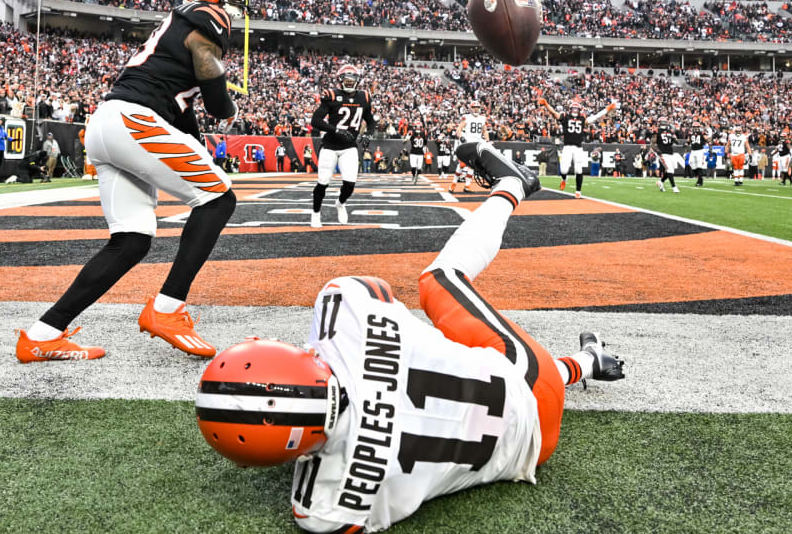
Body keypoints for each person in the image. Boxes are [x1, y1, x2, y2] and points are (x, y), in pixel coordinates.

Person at [195, 142, 625, 532]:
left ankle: (587, 362)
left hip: (533, 451)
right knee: (440, 280)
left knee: (467, 371)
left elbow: (323, 484)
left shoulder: (326, 512)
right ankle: (513, 184)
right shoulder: (345, 304)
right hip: (528, 378)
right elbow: (371, 297)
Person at [15, 0, 256, 363]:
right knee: (219, 199)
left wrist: (200, 141)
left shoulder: (181, 23)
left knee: (131, 241)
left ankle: (43, 333)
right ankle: (169, 309)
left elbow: (181, 107)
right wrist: (229, 107)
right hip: (134, 122)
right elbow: (214, 94)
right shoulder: (208, 17)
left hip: (110, 122)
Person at [309, 64, 375, 227]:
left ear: (357, 81)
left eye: (352, 80)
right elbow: (315, 121)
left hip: (349, 146)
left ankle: (340, 203)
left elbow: (371, 121)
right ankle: (316, 213)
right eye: (346, 79)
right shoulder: (331, 95)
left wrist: (368, 134)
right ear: (340, 80)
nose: (349, 82)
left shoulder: (364, 97)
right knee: (323, 182)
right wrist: (335, 130)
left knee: (350, 183)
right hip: (330, 145)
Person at [539, 99, 615, 198]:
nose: (575, 110)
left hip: (578, 148)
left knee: (579, 170)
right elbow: (554, 112)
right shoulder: (565, 117)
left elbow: (596, 117)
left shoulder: (582, 119)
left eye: (576, 109)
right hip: (567, 147)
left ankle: (578, 191)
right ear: (570, 109)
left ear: (579, 110)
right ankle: (564, 179)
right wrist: (546, 104)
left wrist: (607, 109)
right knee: (564, 170)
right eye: (573, 109)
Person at [652, 120, 681, 193]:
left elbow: (677, 142)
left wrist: (674, 138)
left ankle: (661, 182)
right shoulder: (657, 131)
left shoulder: (670, 131)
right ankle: (674, 187)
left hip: (670, 153)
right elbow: (653, 144)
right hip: (663, 154)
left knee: (671, 171)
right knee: (670, 170)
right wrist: (657, 150)